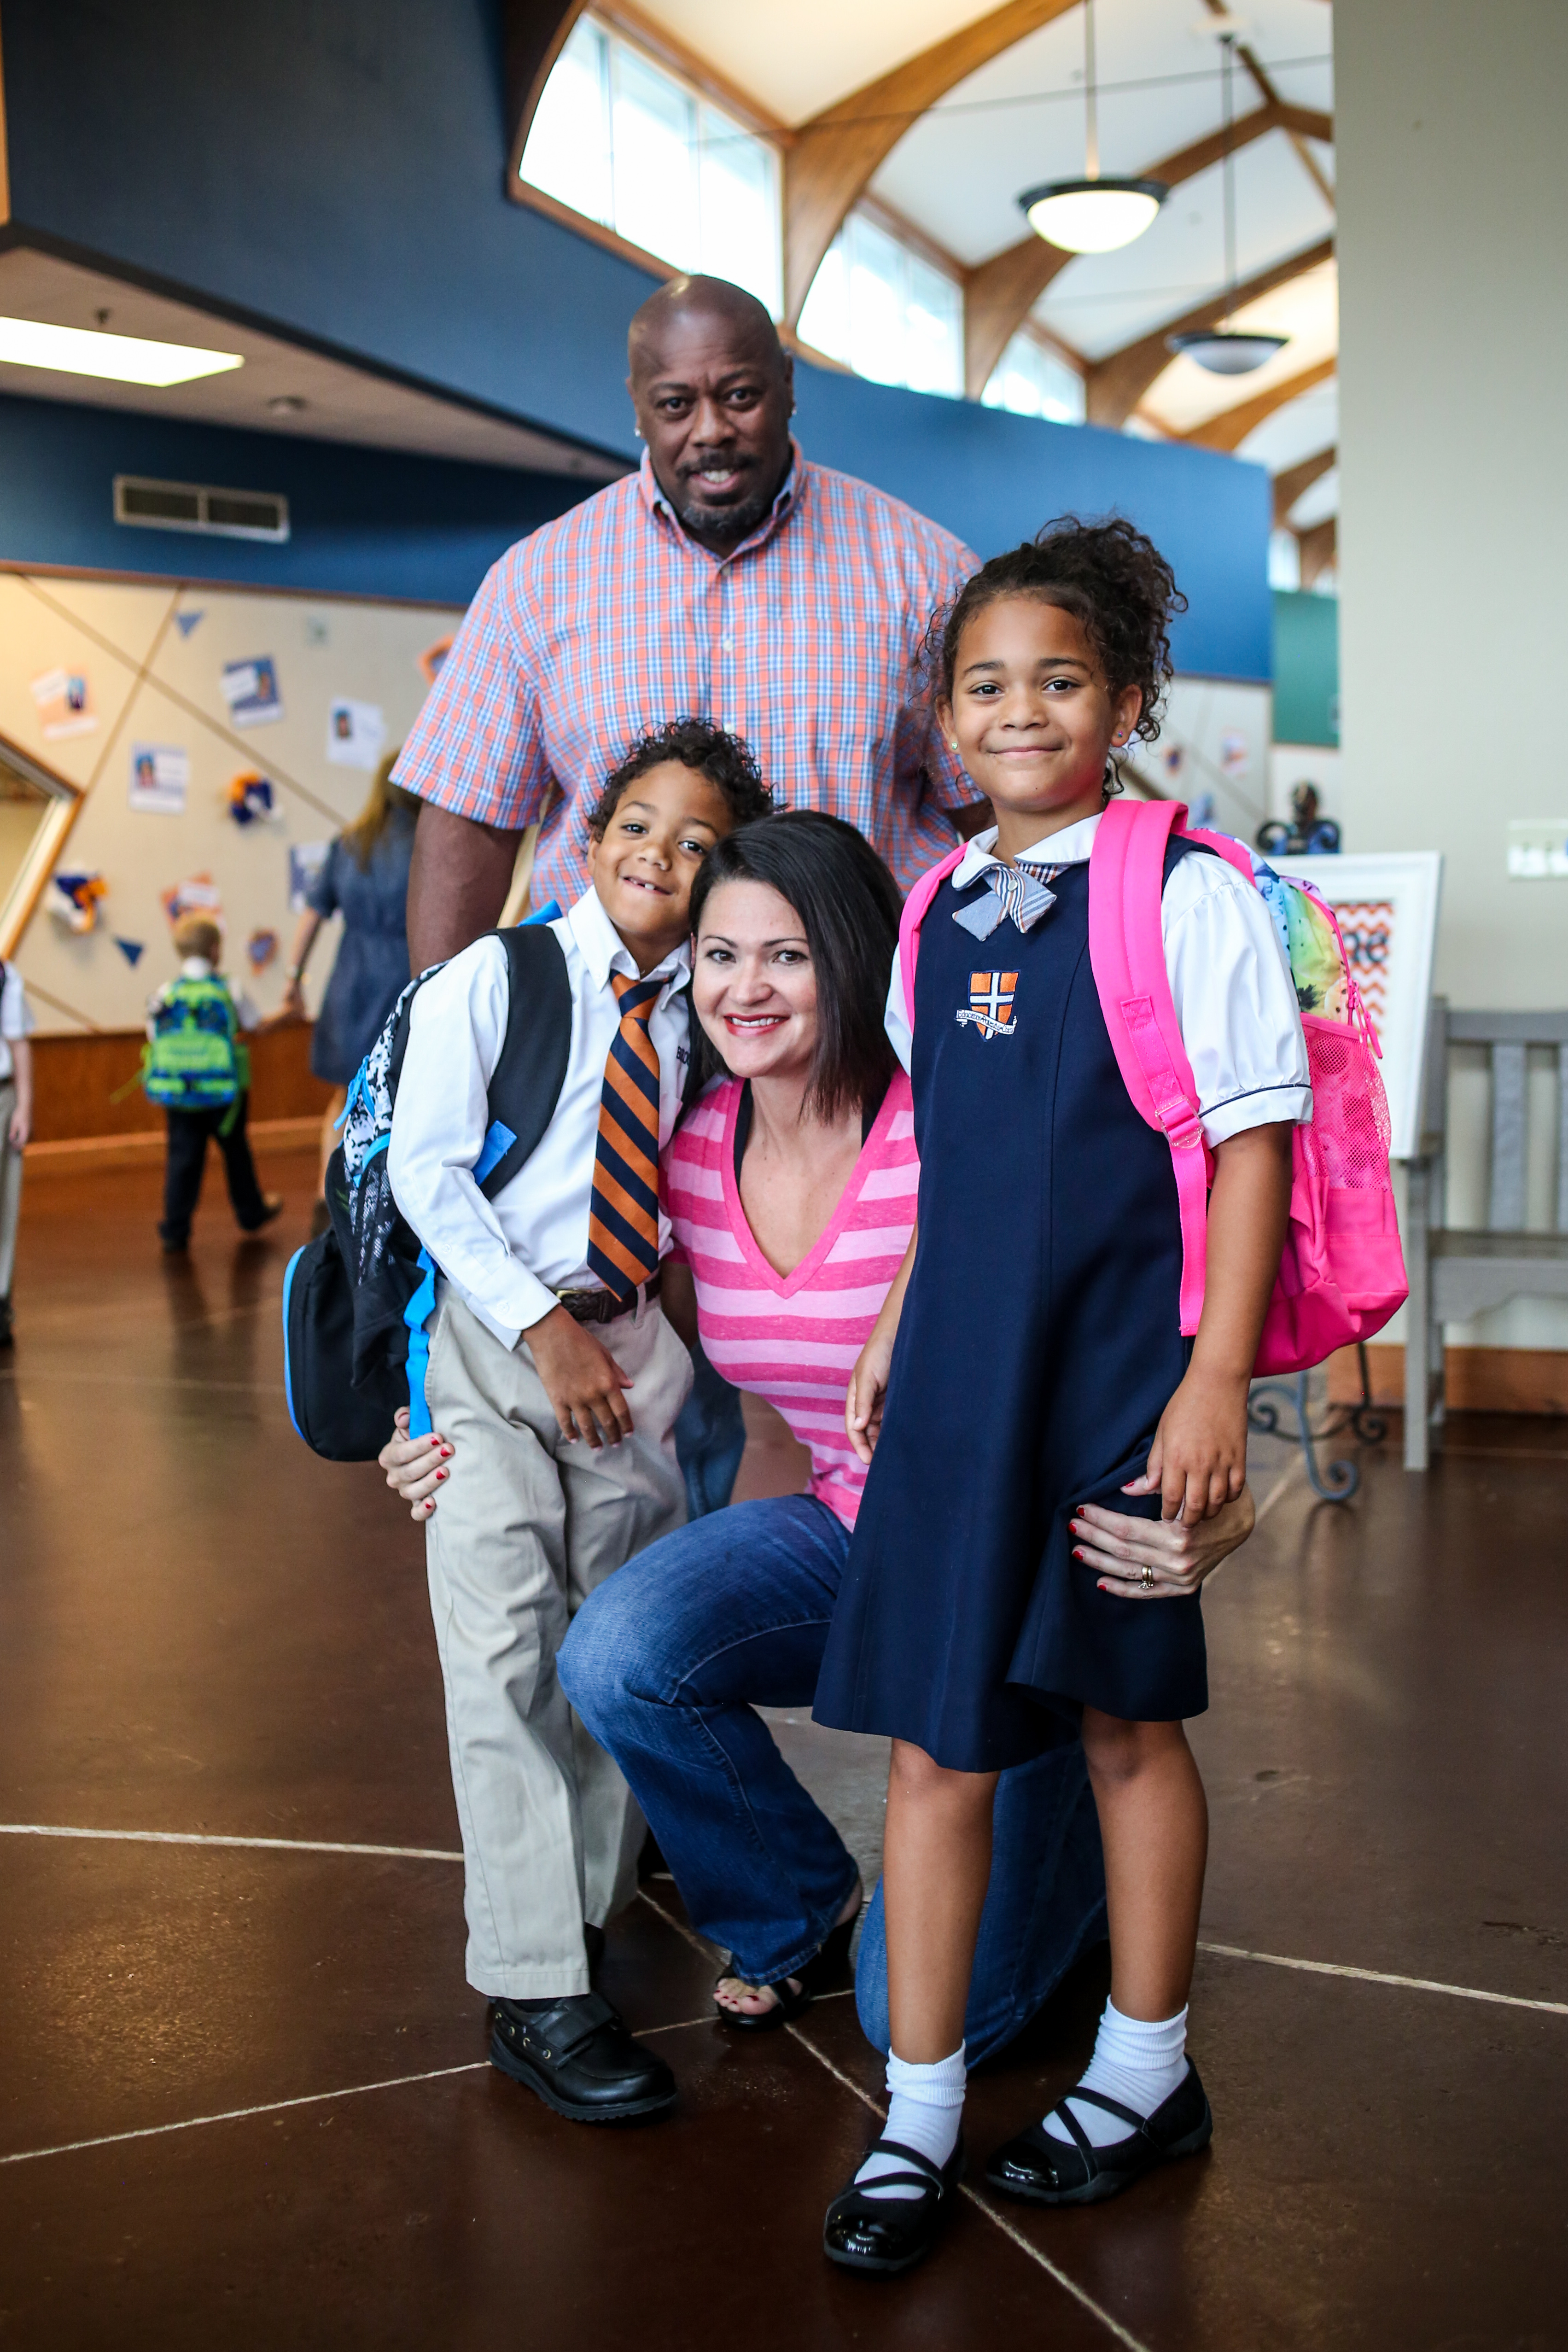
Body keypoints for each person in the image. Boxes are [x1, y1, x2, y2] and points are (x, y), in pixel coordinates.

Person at [380, 813, 1257, 2072]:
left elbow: (1131, 1272)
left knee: (922, 2017)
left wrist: (1219, 1480)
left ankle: (1065, 1833)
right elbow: (579, 1290)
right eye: (719, 956)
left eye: (785, 955)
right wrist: (431, 1418)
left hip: (1012, 1582)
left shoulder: (945, 1121)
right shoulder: (685, 1152)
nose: (745, 988)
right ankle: (790, 1903)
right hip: (855, 1531)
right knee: (619, 1651)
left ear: (850, 958)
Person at [810, 519, 1311, 2276]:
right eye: (984, 684)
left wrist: (1214, 1381)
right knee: (932, 1744)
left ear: (1125, 700)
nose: (1019, 710)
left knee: (1122, 1728)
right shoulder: (931, 907)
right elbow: (946, 1154)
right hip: (962, 1386)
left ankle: (1145, 2073)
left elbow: (1249, 1146)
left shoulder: (1187, 893)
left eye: (1060, 679)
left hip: (1114, 1384)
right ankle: (916, 2111)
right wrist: (893, 1318)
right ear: (944, 718)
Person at [391, 271, 986, 1516]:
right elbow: (468, 818)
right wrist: (439, 1048)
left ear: (787, 391)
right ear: (635, 408)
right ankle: (676, 1598)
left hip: (845, 1073)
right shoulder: (540, 581)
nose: (708, 429)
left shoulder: (919, 573)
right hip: (609, 1071)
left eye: (738, 395)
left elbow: (996, 815)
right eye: (675, 403)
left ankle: (816, 1577)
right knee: (628, 1408)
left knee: (848, 1399)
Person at [385, 720, 771, 2128]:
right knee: (500, 1644)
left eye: (695, 842)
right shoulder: (494, 978)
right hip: (499, 1341)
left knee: (611, 1652)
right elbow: (427, 1173)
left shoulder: (708, 1011)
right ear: (589, 834)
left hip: (629, 1350)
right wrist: (539, 1329)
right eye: (637, 824)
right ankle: (536, 1984)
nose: (659, 855)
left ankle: (585, 1912)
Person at [278, 753, 419, 1212]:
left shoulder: (349, 843)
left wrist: (294, 978)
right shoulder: (429, 848)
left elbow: (312, 916)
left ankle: (327, 1200)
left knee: (345, 1096)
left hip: (350, 985)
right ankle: (389, 1207)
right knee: (404, 1099)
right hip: (406, 983)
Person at [145, 914, 283, 1255]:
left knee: (182, 1156)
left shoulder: (165, 993)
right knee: (236, 1151)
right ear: (215, 950)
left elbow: (154, 1036)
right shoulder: (229, 989)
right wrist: (289, 1013)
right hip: (224, 1093)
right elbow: (254, 1024)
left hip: (180, 1092)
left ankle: (175, 1228)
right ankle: (251, 1212)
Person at [0, 955, 35, 1346]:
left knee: (4, 1202)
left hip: (2, 1095)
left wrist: (24, 1106)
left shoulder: (4, 975)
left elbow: (18, 1041)